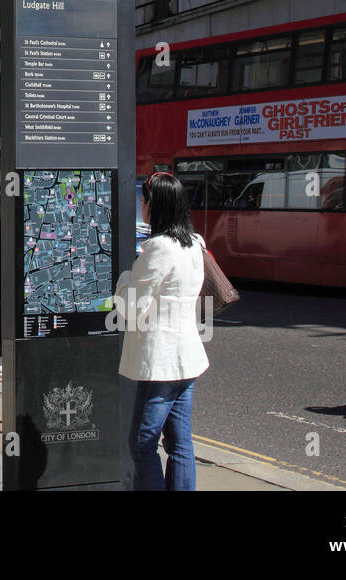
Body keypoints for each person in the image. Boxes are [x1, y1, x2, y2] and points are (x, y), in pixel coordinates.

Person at [114, 172, 209, 491]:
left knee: (142, 442)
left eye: (144, 200)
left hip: (161, 363)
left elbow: (130, 307)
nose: (141, 206)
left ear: (155, 206)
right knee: (180, 444)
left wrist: (125, 277)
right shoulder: (195, 243)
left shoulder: (158, 248)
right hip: (188, 359)